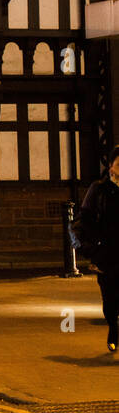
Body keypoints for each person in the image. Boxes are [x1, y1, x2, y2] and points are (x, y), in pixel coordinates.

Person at [77, 146, 119, 352]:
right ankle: (113, 326)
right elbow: (85, 219)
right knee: (110, 299)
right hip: (107, 252)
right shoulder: (99, 189)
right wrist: (93, 247)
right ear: (111, 167)